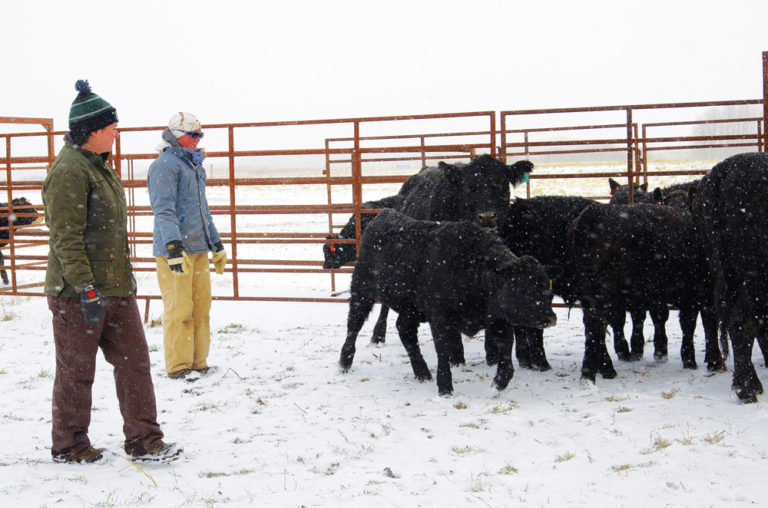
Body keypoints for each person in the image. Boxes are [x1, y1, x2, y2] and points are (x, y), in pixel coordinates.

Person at [43, 80, 181, 464]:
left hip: (117, 288)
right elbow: (65, 238)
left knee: (135, 365)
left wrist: (119, 282)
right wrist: (85, 288)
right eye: (112, 127)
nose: (117, 133)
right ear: (91, 132)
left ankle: (144, 440)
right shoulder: (69, 171)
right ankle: (69, 445)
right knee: (76, 372)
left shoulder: (100, 166)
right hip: (78, 293)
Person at [147, 112, 226, 380]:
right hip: (176, 252)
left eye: (199, 136)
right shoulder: (164, 166)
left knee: (201, 308)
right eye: (193, 135)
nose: (197, 140)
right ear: (178, 136)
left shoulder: (194, 167)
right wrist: (173, 248)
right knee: (179, 309)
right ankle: (179, 366)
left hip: (198, 248)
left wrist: (216, 243)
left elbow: (203, 210)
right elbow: (164, 211)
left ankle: (198, 362)